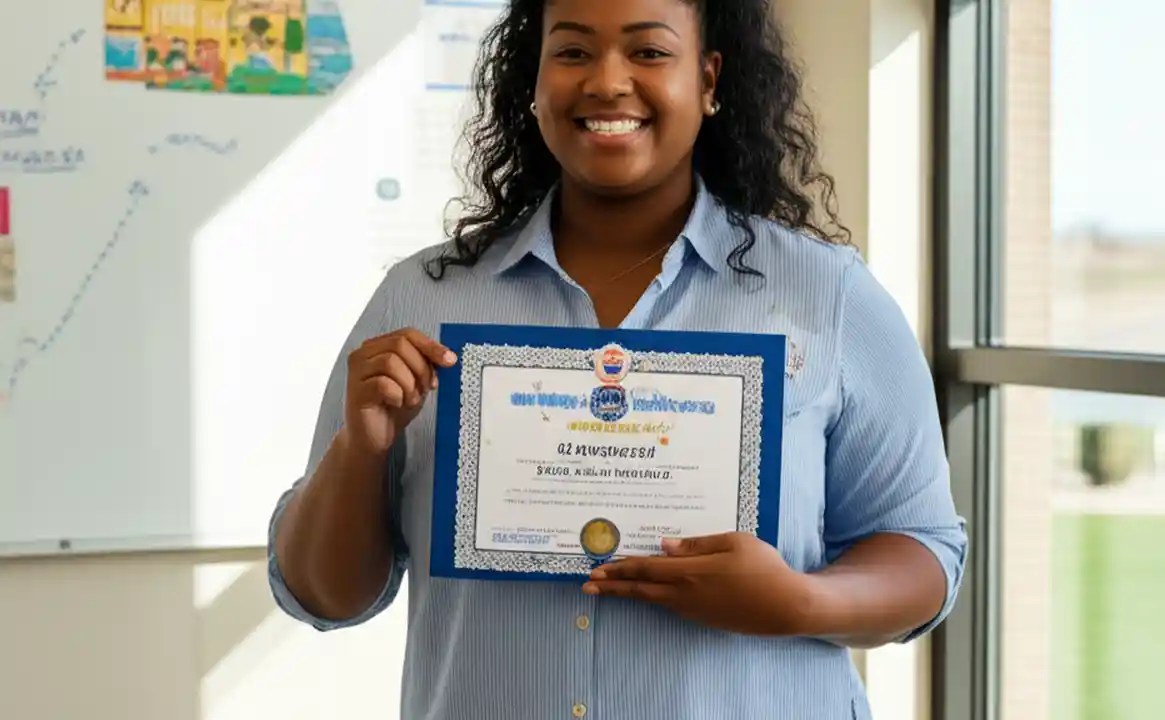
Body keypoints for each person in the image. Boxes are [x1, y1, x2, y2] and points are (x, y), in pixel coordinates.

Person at [267, 0, 968, 718]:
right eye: (572, 53)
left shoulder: (828, 295)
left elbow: (925, 553)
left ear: (709, 79)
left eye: (649, 53)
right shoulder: (421, 298)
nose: (607, 81)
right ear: (533, 84)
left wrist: (798, 602)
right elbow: (322, 594)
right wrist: (361, 449)